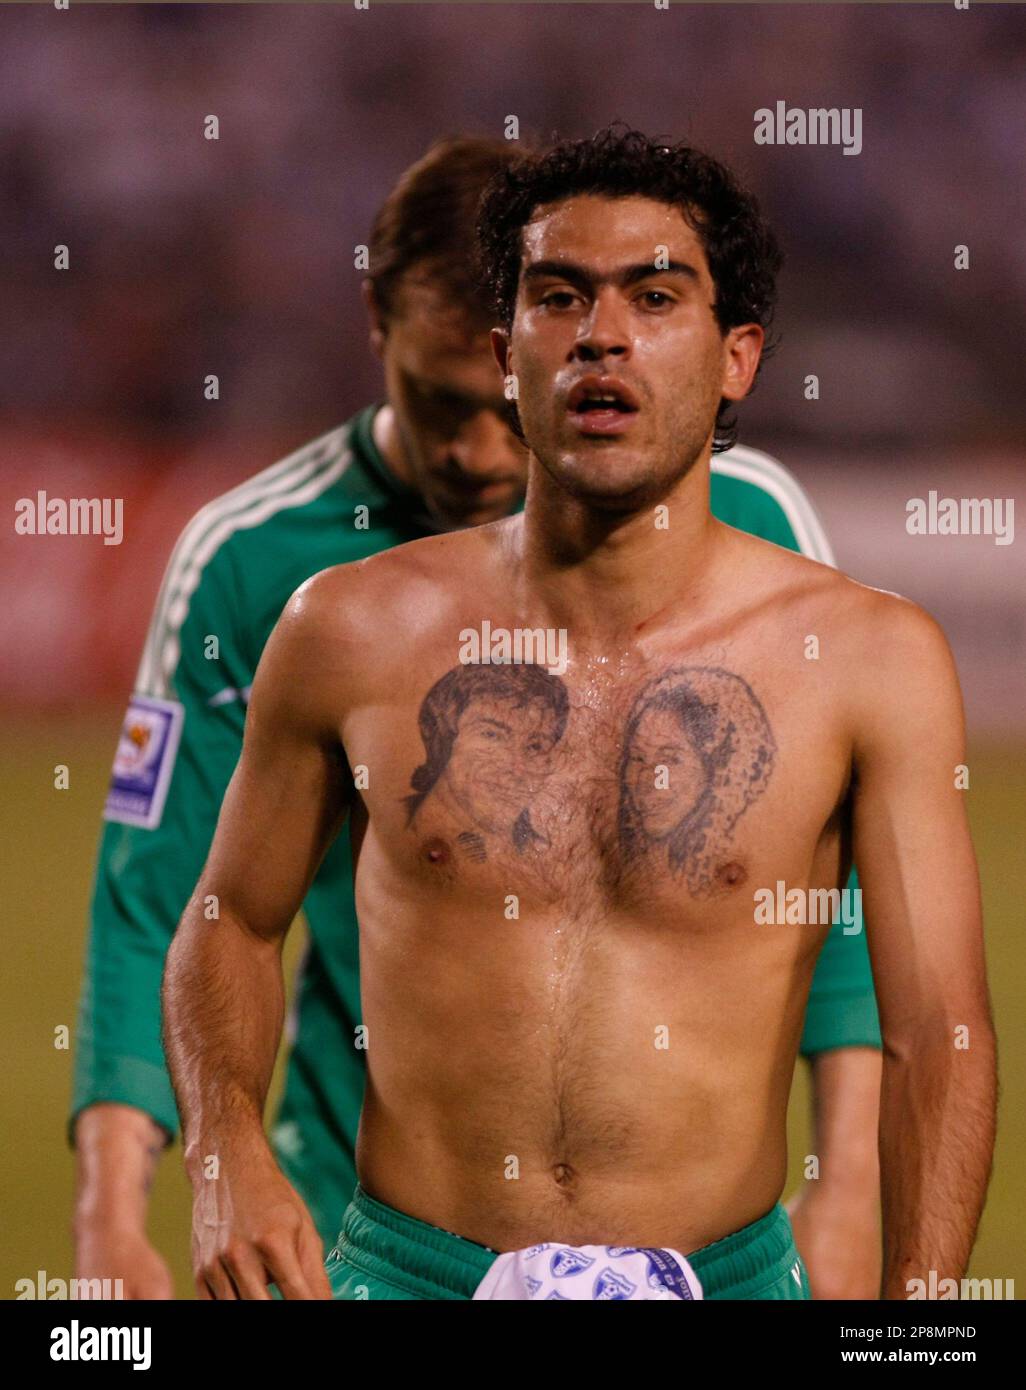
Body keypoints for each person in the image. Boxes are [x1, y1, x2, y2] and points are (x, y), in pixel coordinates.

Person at [75, 134, 885, 1302]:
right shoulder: (259, 565)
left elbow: (819, 867)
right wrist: (126, 1203)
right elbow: (165, 896)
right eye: (439, 403)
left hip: (681, 1252)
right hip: (355, 1220)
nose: (472, 451)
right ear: (381, 329)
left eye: (500, 413)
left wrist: (847, 1172)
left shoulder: (747, 520)